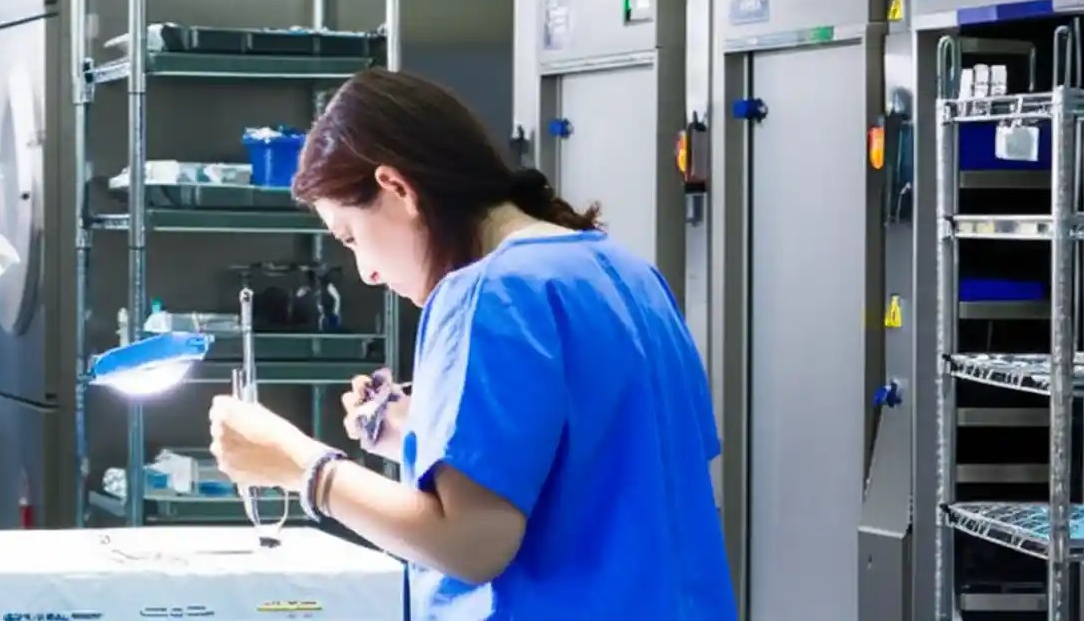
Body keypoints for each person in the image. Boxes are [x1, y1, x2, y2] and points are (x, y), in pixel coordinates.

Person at [208, 69, 737, 620]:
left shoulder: (487, 294)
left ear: (396, 188)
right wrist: (423, 438)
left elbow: (472, 544)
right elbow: (602, 475)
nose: (364, 272)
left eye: (351, 237)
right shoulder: (626, 273)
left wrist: (300, 466)